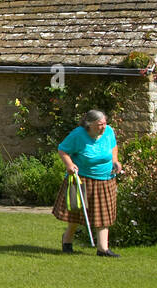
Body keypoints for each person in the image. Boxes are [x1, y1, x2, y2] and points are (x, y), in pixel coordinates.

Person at [52, 109, 124, 257]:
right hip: (82, 179)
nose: (103, 127)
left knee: (104, 215)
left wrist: (115, 161)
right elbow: (62, 150)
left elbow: (113, 147)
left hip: (105, 179)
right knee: (76, 215)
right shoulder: (78, 135)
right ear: (89, 124)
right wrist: (69, 165)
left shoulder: (109, 132)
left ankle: (103, 249)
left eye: (104, 123)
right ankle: (67, 240)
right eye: (99, 124)